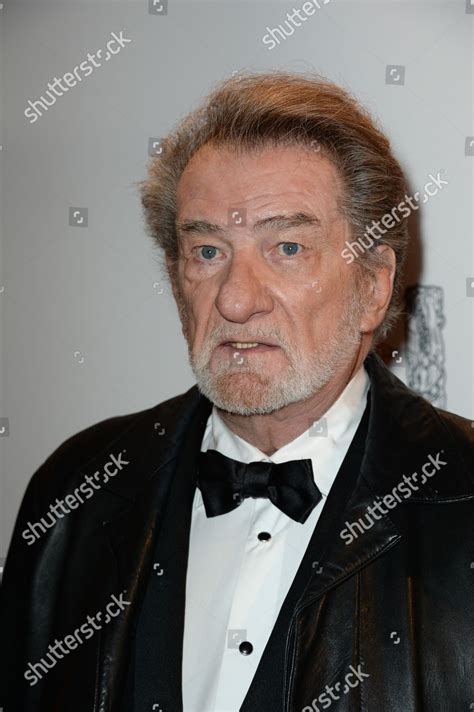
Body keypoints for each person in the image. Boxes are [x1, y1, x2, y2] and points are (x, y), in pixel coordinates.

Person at [1, 71, 473, 711]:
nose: (235, 298)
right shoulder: (75, 491)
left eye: (287, 247)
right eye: (206, 251)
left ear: (372, 286)